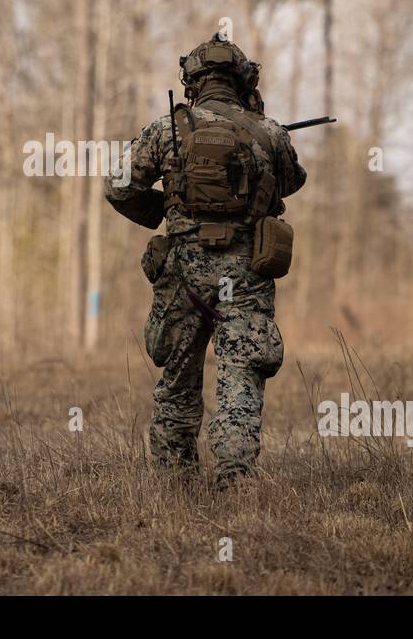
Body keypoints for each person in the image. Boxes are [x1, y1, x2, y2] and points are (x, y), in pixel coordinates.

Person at [105, 33, 306, 489]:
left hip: (184, 269)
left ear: (192, 81)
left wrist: (170, 211)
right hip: (247, 270)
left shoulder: (167, 129)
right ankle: (234, 476)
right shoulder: (270, 131)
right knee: (241, 371)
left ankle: (175, 478)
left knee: (178, 371)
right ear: (242, 81)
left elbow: (118, 188)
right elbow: (292, 181)